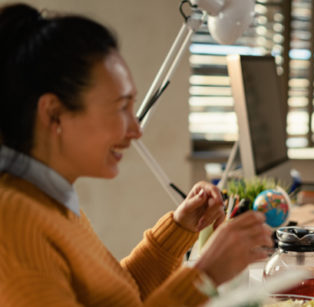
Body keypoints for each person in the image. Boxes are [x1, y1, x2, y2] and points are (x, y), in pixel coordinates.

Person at [0, 4, 273, 306]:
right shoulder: (14, 224)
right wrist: (203, 275)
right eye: (121, 107)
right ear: (54, 114)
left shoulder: (49, 199)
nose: (136, 129)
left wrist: (180, 229)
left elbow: (118, 297)